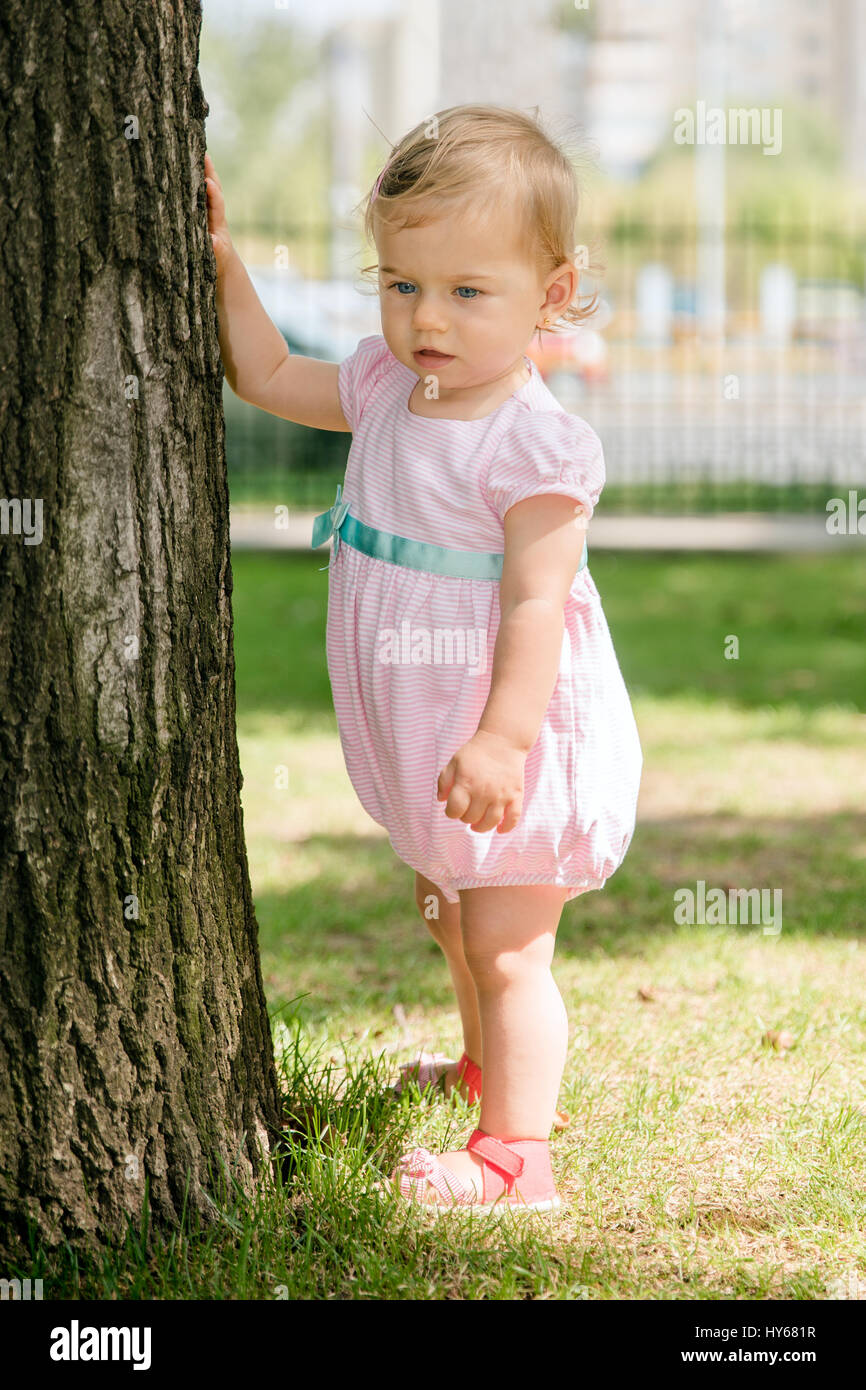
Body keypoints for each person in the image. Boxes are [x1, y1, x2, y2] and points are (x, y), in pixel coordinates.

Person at [205, 104, 642, 1214]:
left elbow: (538, 603)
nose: (425, 318)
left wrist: (501, 740)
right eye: (401, 285)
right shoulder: (385, 391)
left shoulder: (531, 443)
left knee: (505, 947)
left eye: (464, 291)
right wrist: (215, 258)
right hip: (429, 732)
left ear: (549, 295)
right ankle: (484, 1068)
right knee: (453, 917)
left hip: (510, 739)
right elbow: (259, 372)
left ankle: (514, 1159)